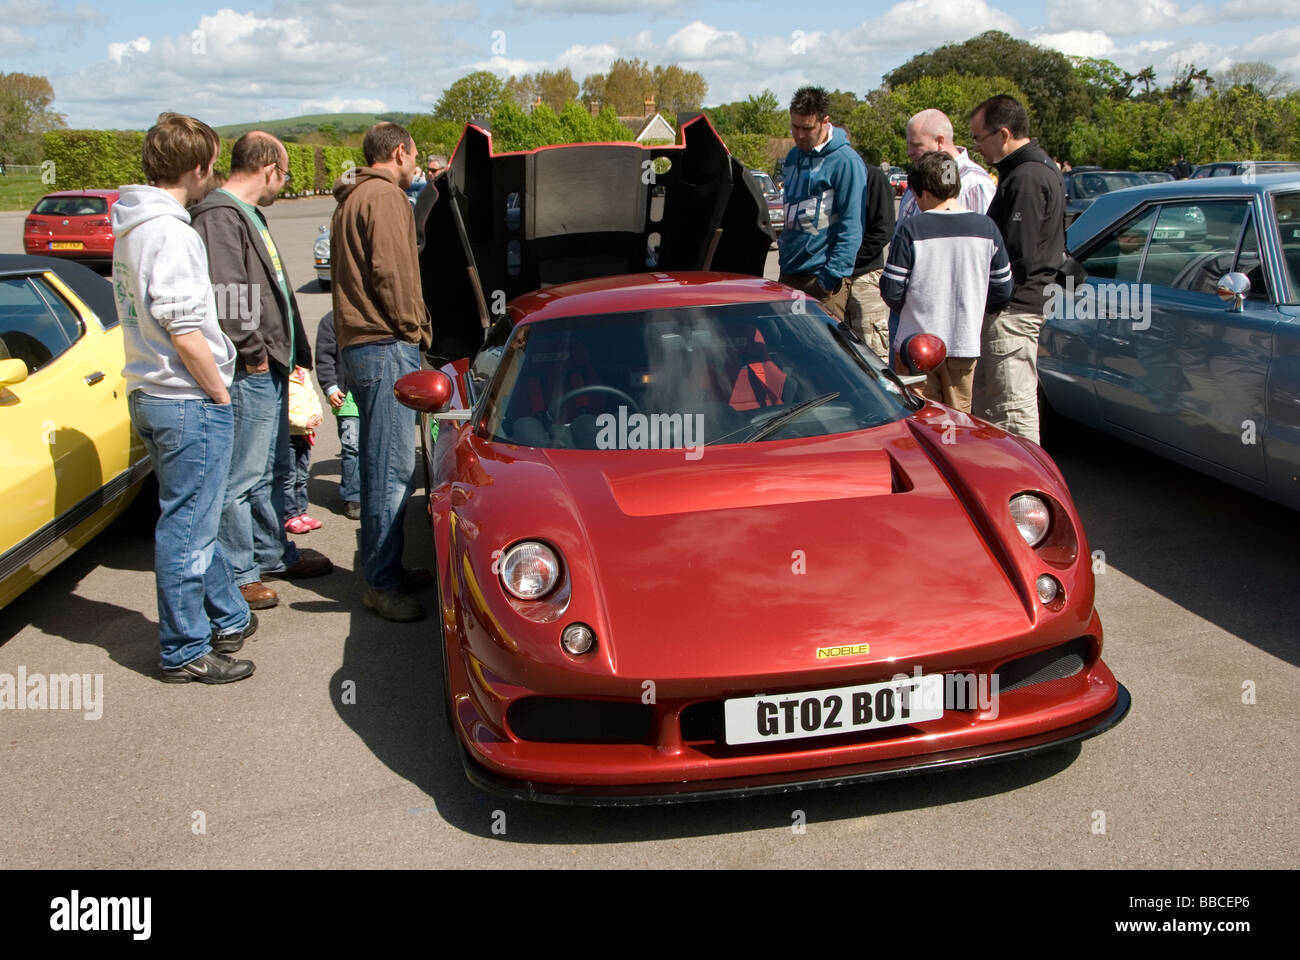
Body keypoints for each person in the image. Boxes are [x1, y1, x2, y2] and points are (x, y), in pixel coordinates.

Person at [111, 112, 254, 683]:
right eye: (212, 165)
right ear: (197, 167)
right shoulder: (171, 231)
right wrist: (219, 393)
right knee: (188, 530)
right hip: (185, 397)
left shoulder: (132, 225)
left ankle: (227, 613)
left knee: (192, 518)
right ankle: (184, 649)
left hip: (152, 391)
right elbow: (184, 328)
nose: (213, 175)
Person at [191, 132, 332, 611]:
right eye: (285, 173)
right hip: (251, 367)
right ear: (270, 167)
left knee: (271, 469)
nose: (283, 182)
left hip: (270, 364)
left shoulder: (246, 213)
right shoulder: (219, 215)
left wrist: (290, 353)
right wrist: (253, 353)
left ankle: (272, 553)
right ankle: (239, 571)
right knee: (241, 477)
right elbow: (227, 292)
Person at [332, 122, 433, 621]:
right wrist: (415, 329)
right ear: (399, 152)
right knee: (392, 473)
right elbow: (392, 274)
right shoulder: (388, 199)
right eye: (415, 156)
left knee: (380, 466)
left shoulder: (351, 197)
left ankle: (385, 566)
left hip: (364, 348)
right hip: (386, 345)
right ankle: (381, 582)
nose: (417, 165)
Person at [880, 152, 1013, 412]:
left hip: (915, 345)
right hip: (964, 342)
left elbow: (891, 290)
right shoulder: (987, 228)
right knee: (957, 418)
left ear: (923, 192)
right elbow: (1003, 289)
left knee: (919, 416)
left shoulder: (912, 229)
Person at [968, 94, 1066, 444]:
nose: (977, 147)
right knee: (1000, 408)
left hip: (1013, 311)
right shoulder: (1030, 170)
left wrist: (993, 298)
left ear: (1004, 134)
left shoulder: (1026, 177)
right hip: (1017, 307)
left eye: (979, 138)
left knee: (1011, 411)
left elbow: (1016, 254)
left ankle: (1022, 490)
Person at [778, 86, 866, 322]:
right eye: (794, 126)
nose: (798, 135)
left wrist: (828, 279)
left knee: (823, 355)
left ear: (825, 122)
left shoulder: (846, 162)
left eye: (807, 128)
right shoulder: (793, 156)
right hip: (789, 273)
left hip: (822, 279)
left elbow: (852, 227)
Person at [896, 109, 995, 224]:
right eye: (908, 145)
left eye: (916, 145)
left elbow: (982, 237)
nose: (909, 152)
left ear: (939, 141)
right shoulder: (917, 177)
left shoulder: (975, 183)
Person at [844, 159, 894, 358]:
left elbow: (883, 230)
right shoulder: (829, 175)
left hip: (864, 276)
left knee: (872, 354)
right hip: (833, 280)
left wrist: (848, 260)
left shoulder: (872, 177)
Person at [314, 310, 361, 519]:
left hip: (372, 396)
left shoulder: (372, 315)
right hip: (347, 399)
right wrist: (330, 387)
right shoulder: (331, 321)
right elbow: (324, 357)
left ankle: (374, 492)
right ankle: (354, 496)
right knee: (352, 448)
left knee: (374, 447)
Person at [284, 365, 323, 534]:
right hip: (289, 434)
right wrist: (302, 421)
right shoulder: (283, 376)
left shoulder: (302, 373)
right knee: (289, 477)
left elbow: (312, 397)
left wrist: (317, 414)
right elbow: (281, 409)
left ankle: (302, 512)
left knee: (302, 475)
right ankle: (290, 515)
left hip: (304, 434)